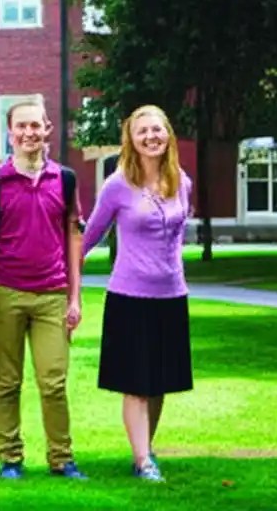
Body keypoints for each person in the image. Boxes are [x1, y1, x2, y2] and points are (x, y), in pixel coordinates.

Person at [0, 100, 88, 481]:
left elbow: (73, 234)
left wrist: (75, 296)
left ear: (47, 129)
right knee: (8, 381)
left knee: (53, 381)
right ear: (10, 133)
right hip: (4, 291)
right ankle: (10, 459)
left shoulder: (65, 179)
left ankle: (62, 459)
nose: (28, 133)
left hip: (52, 293)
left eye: (35, 126)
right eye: (21, 126)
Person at [82, 105, 193, 483]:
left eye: (157, 130)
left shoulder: (182, 181)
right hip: (130, 296)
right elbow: (92, 232)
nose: (151, 137)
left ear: (168, 135)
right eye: (142, 131)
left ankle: (145, 451)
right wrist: (65, 273)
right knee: (136, 384)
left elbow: (177, 235)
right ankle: (143, 460)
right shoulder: (117, 185)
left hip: (172, 296)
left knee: (160, 382)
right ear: (131, 138)